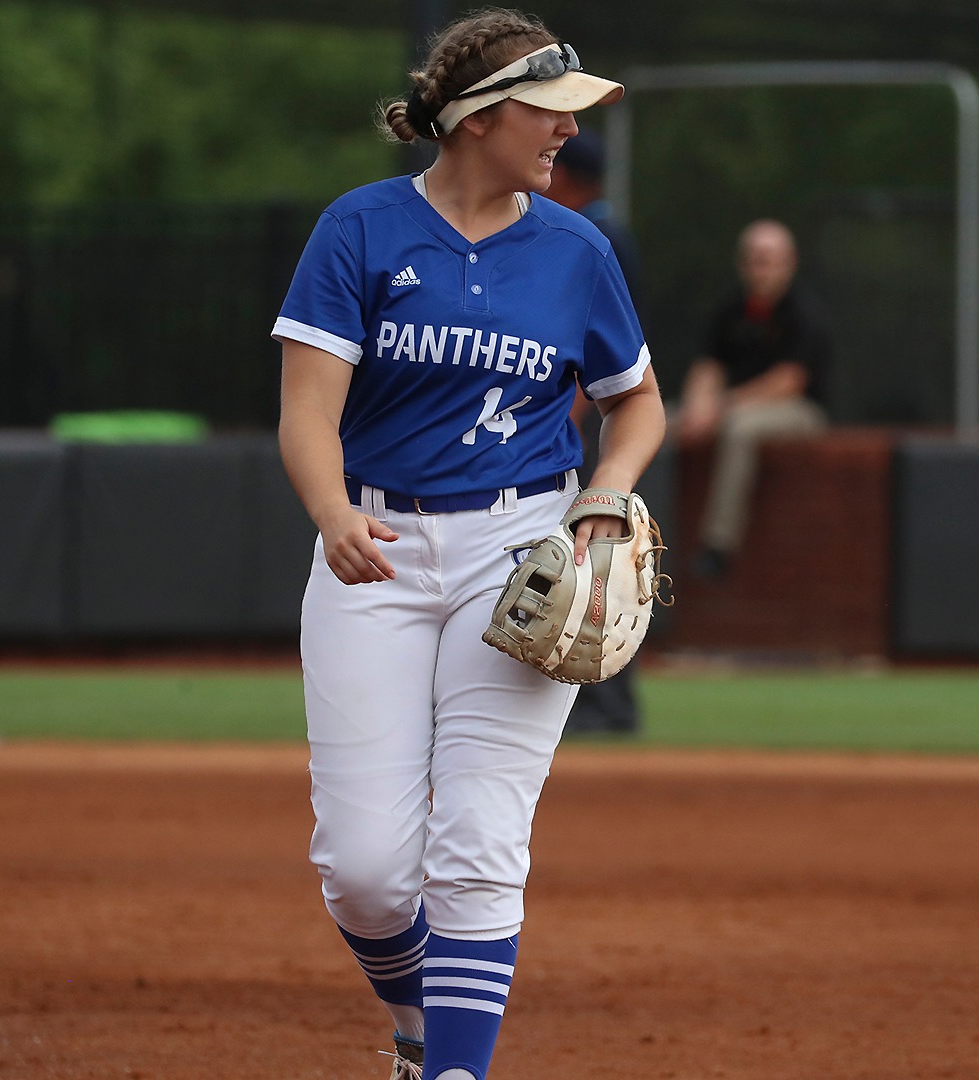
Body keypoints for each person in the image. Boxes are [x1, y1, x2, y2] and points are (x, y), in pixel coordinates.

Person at [271, 10, 666, 1079]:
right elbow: (306, 409)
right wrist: (331, 512)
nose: (566, 140)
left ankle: (453, 1069)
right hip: (377, 544)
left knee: (481, 847)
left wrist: (606, 497)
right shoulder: (359, 229)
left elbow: (637, 408)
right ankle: (416, 1029)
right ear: (482, 119)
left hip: (518, 547)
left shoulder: (577, 248)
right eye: (550, 116)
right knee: (363, 872)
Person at [549, 130, 644, 735]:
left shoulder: (597, 236)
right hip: (602, 420)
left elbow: (603, 356)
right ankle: (601, 705)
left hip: (604, 425)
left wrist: (571, 422)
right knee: (585, 569)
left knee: (596, 568)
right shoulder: (599, 230)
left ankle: (608, 707)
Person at [674, 219, 832, 579]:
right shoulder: (731, 309)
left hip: (799, 412)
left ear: (789, 262)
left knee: (740, 429)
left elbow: (788, 383)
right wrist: (697, 406)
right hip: (730, 405)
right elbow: (708, 366)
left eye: (768, 259)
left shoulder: (803, 312)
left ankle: (718, 545)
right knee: (661, 420)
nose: (759, 268)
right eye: (753, 259)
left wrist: (718, 407)